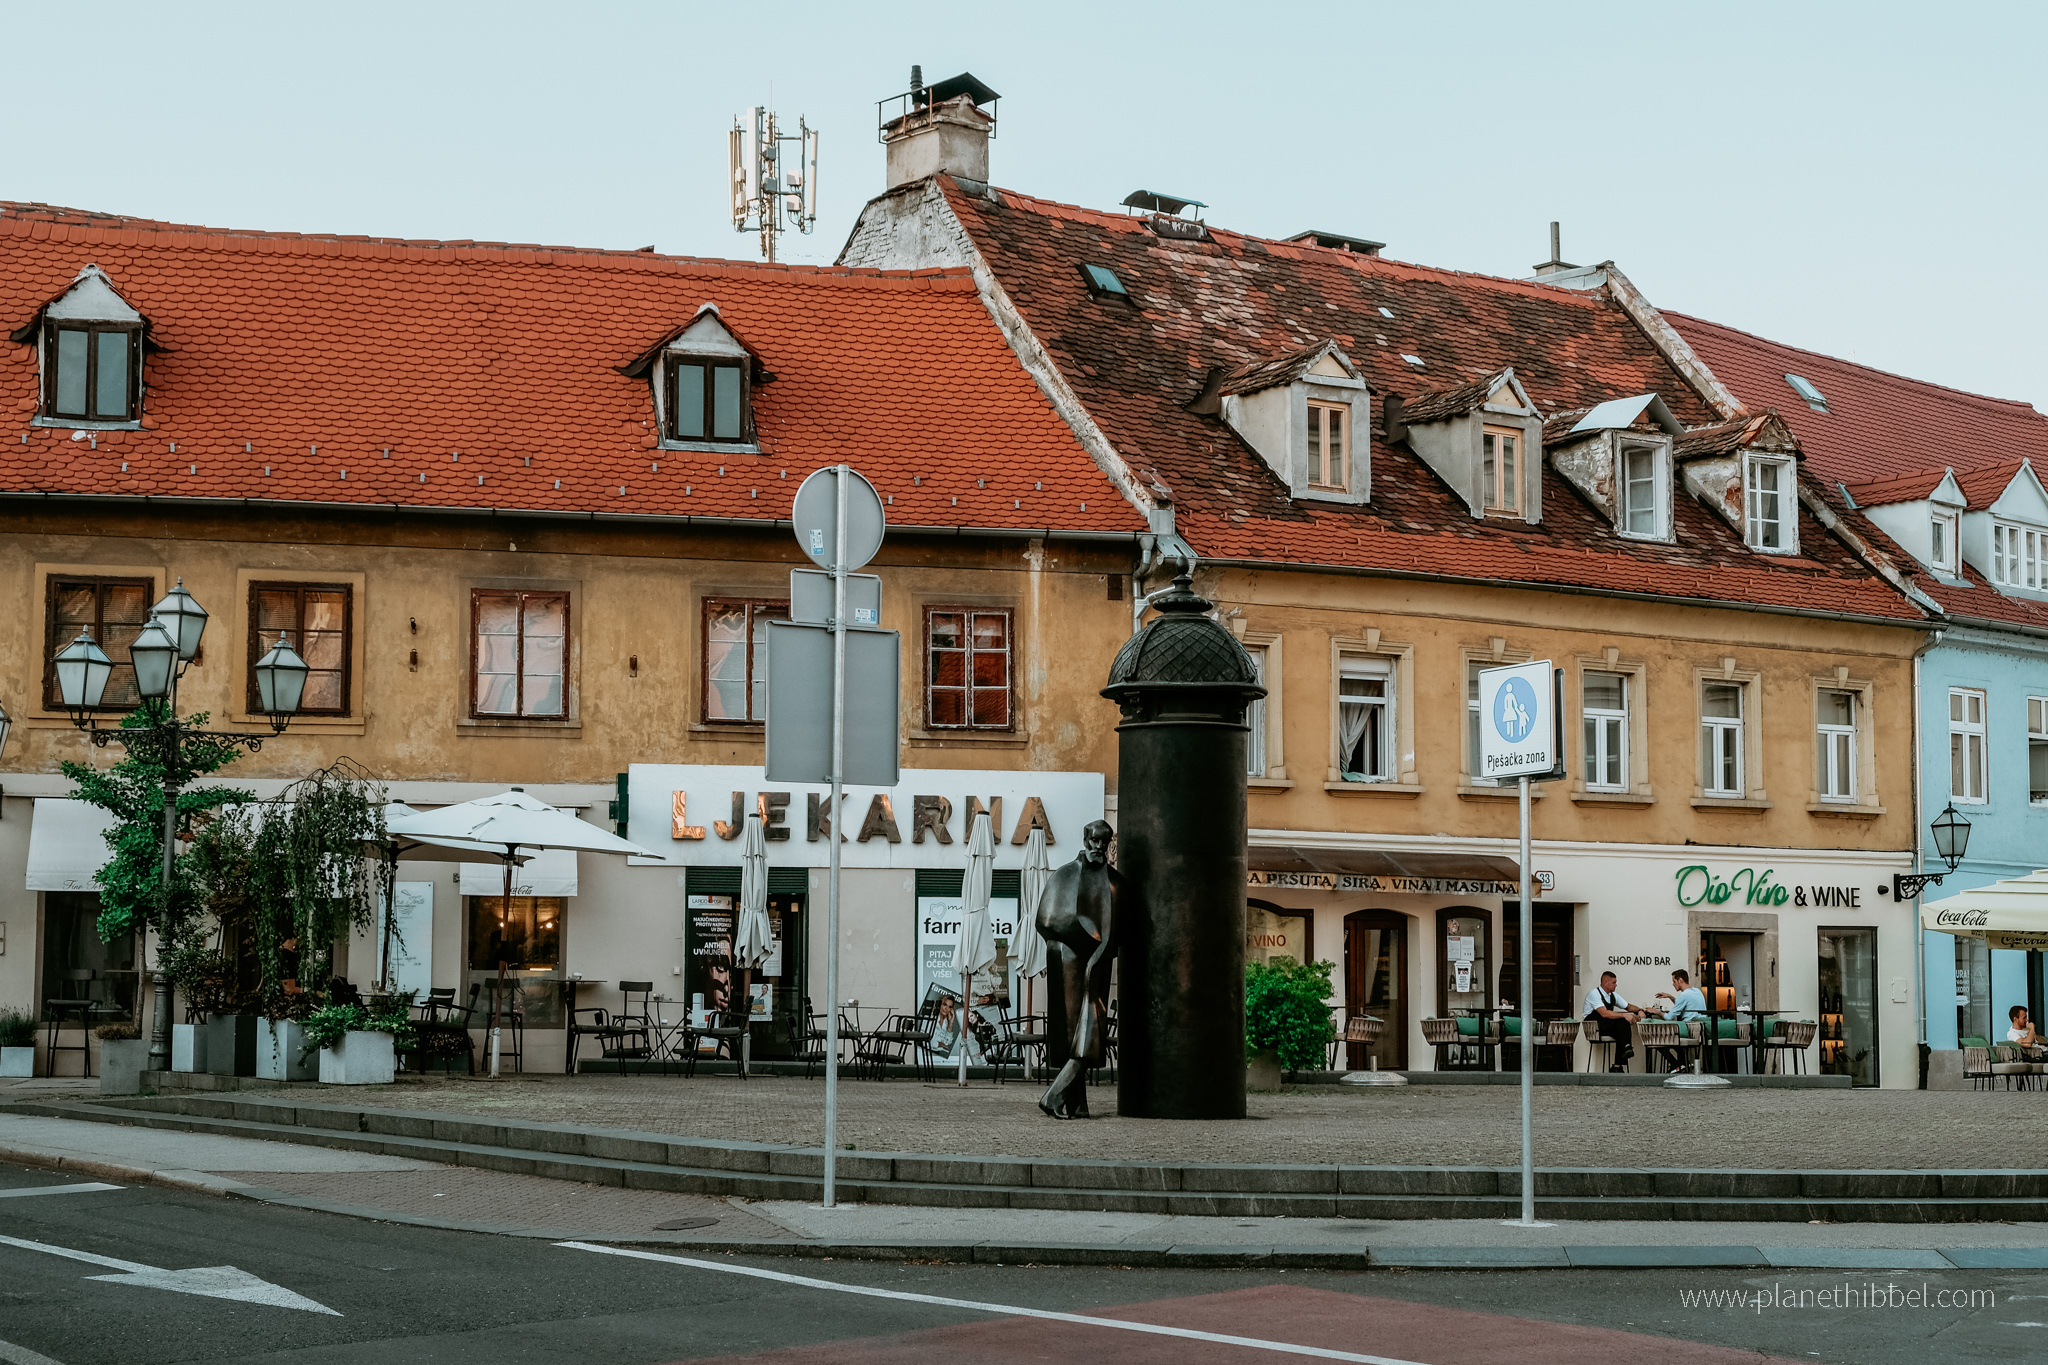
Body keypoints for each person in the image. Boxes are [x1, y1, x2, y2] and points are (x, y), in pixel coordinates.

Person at [1583, 970, 1644, 1072]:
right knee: (1622, 1022)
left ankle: (1619, 1062)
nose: (1616, 985)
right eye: (1614, 982)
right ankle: (1626, 1048)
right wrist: (1625, 1015)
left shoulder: (1613, 995)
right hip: (1595, 1027)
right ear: (1605, 983)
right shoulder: (1594, 994)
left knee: (1622, 1027)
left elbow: (1628, 1006)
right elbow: (1604, 1013)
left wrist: (1640, 1010)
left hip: (1607, 1025)